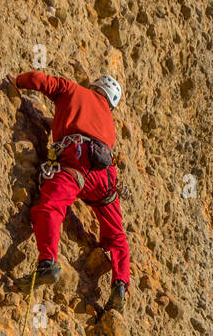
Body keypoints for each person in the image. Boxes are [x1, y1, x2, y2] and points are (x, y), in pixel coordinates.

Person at [13, 69, 129, 312]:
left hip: (76, 163)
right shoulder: (109, 123)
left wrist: (16, 82)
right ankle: (120, 283)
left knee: (50, 207)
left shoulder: (74, 90)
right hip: (103, 176)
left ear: (96, 86)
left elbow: (39, 81)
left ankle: (48, 261)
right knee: (116, 234)